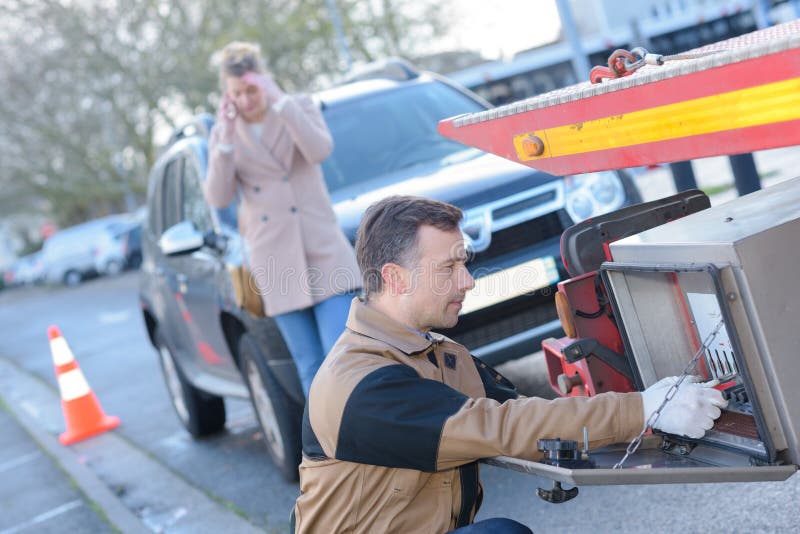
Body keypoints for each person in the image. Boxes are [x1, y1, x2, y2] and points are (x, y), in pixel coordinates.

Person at [292, 195, 726, 533]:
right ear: (395, 278)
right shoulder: (362, 384)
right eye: (448, 268)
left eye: (464, 263)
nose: (468, 281)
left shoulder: (437, 353)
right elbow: (500, 427)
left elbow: (528, 415)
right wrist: (644, 409)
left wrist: (650, 416)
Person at [204, 42, 360, 397]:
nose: (245, 100)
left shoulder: (297, 108)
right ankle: (329, 449)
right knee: (309, 365)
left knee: (343, 357)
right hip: (274, 259)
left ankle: (363, 443)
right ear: (227, 95)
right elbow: (218, 197)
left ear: (265, 80)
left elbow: (319, 150)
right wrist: (225, 143)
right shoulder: (223, 134)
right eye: (236, 93)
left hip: (322, 249)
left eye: (251, 89)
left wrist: (281, 101)